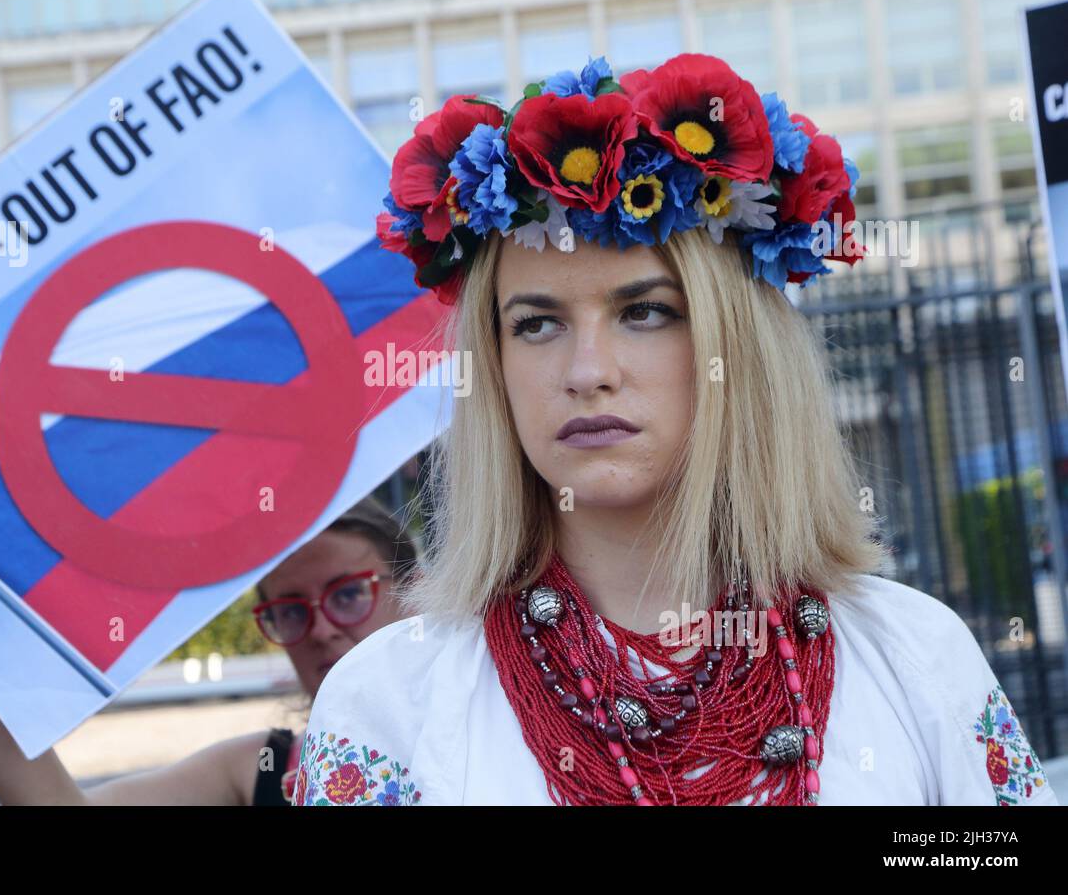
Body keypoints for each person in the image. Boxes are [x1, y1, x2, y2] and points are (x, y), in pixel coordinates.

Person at [292, 53, 1060, 806]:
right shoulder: (388, 704)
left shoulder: (916, 655)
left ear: (741, 348)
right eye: (536, 324)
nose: (587, 369)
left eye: (645, 311)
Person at [0, 496, 418, 805]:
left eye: (349, 594)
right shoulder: (260, 769)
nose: (321, 628)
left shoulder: (496, 718)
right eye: (291, 610)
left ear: (417, 592)